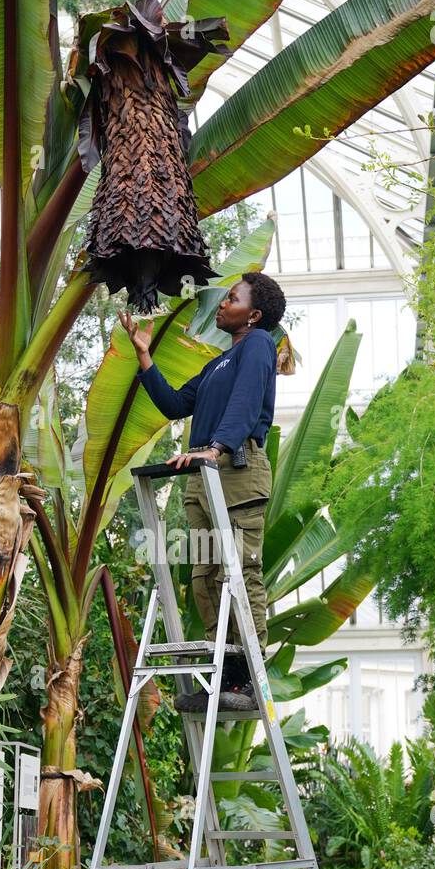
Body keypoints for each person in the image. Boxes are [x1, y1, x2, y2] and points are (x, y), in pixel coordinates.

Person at [119, 270, 286, 711]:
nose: (223, 303)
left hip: (233, 466)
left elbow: (247, 402)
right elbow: (175, 405)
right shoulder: (217, 364)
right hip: (201, 470)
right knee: (206, 573)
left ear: (253, 315)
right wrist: (143, 355)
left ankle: (249, 673)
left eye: (232, 298)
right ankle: (222, 673)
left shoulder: (259, 346)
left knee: (240, 569)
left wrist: (216, 449)